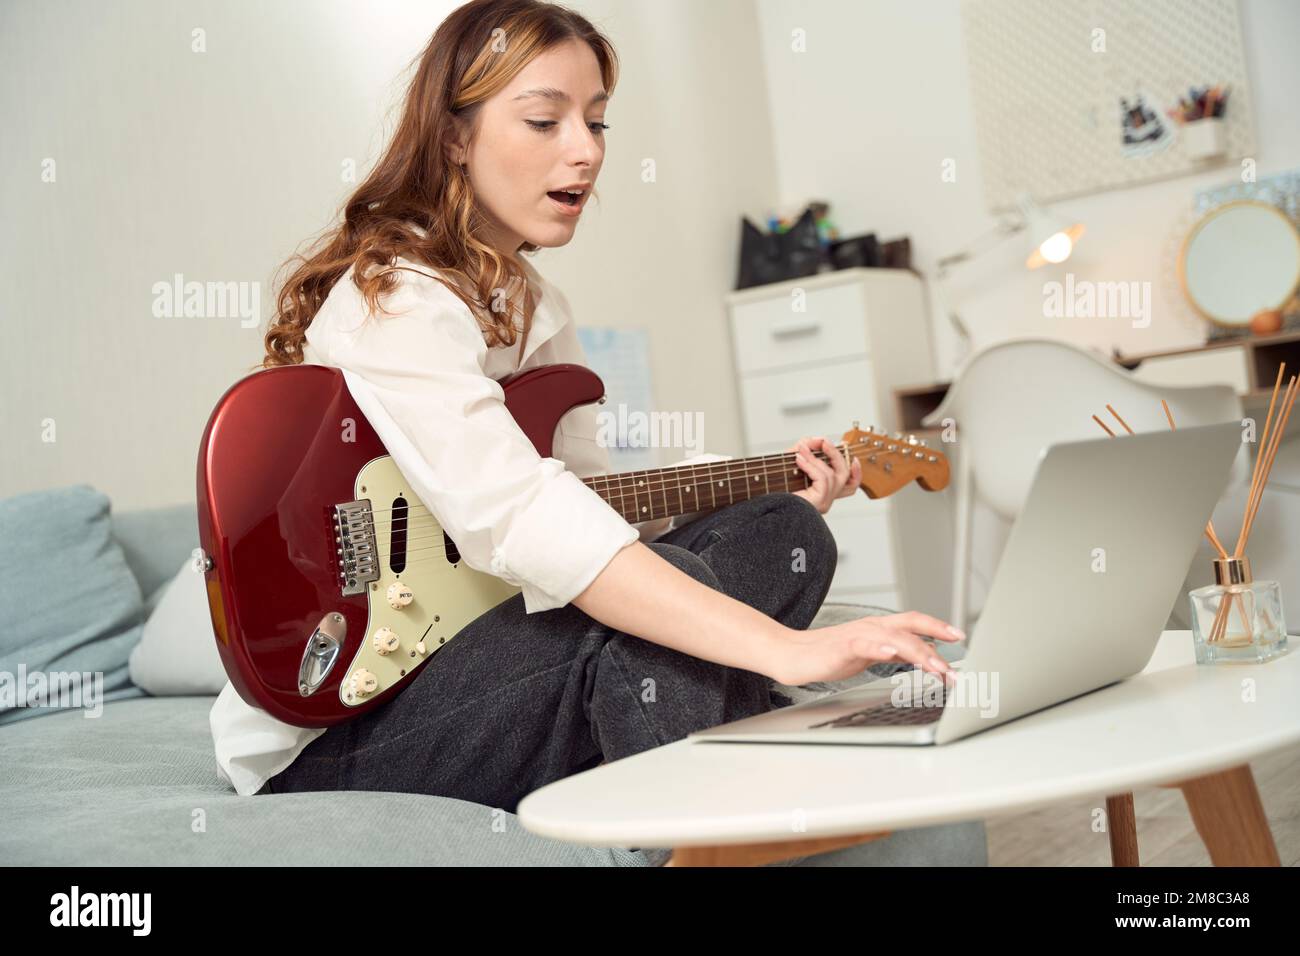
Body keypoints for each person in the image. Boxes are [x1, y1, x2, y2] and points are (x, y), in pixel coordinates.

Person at [211, 0, 963, 821]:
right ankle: (706, 817)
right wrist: (793, 650)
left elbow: (592, 507)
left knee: (787, 531)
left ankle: (692, 744)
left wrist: (772, 486)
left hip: (491, 651)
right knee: (661, 604)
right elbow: (525, 518)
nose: (586, 151)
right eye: (545, 120)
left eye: (598, 122)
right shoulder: (394, 297)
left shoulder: (536, 304)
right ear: (454, 137)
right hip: (355, 725)